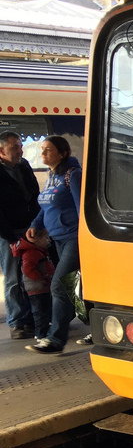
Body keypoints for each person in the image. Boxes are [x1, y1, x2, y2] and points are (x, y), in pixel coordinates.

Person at [25, 136, 81, 354]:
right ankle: (95, 330)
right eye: (43, 150)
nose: (43, 154)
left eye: (48, 150)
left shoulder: (72, 176)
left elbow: (80, 208)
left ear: (62, 153)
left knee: (59, 285)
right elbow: (45, 207)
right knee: (73, 288)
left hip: (73, 239)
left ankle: (55, 339)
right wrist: (35, 224)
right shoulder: (51, 177)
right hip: (56, 240)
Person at [0, 130, 40, 340]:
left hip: (29, 229)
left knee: (31, 275)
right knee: (14, 278)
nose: (19, 150)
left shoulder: (24, 166)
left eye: (20, 146)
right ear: (1, 151)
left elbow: (34, 195)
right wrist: (9, 237)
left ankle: (32, 319)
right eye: (14, 147)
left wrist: (37, 224)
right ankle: (17, 322)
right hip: (8, 233)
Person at [10, 234, 53, 340]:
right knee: (40, 312)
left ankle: (43, 331)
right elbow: (27, 269)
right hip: (37, 288)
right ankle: (40, 334)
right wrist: (40, 277)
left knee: (43, 311)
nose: (48, 240)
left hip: (41, 287)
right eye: (45, 238)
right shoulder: (32, 253)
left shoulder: (38, 251)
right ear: (36, 239)